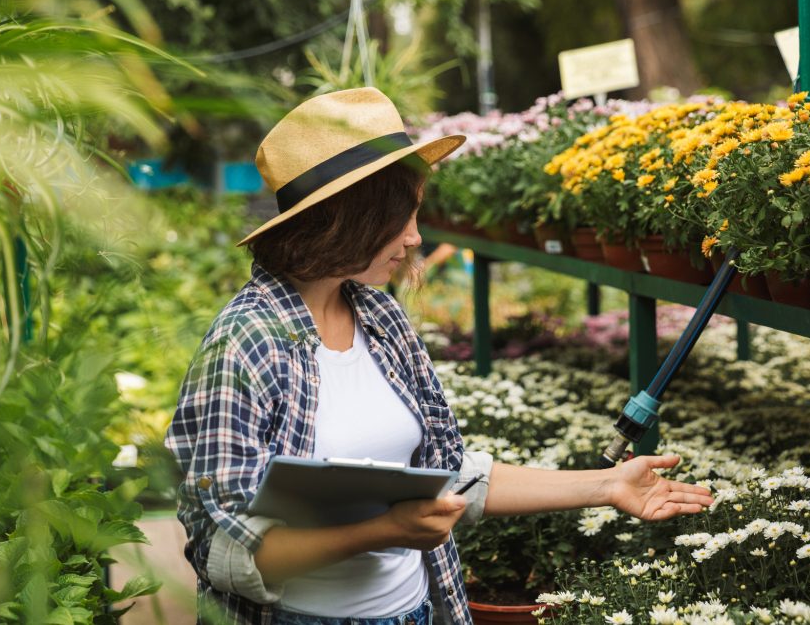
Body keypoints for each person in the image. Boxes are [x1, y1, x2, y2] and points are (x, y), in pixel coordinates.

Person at [165, 87, 713, 625]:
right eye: (399, 219)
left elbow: (447, 475)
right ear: (344, 218)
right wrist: (383, 531)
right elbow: (226, 554)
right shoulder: (244, 343)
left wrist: (605, 485)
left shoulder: (381, 319)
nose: (414, 239)